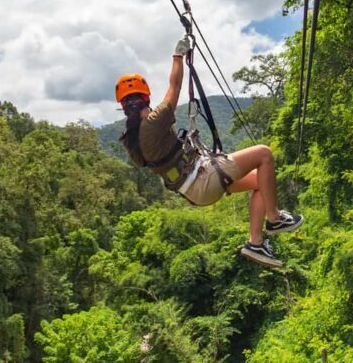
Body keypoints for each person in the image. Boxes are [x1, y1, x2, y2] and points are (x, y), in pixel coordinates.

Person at [115, 36, 304, 268]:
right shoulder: (153, 123)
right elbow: (174, 87)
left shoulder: (132, 138)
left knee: (260, 183)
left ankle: (256, 242)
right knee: (264, 154)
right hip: (203, 178)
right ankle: (274, 219)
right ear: (146, 97)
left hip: (194, 188)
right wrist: (178, 55)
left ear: (123, 106)